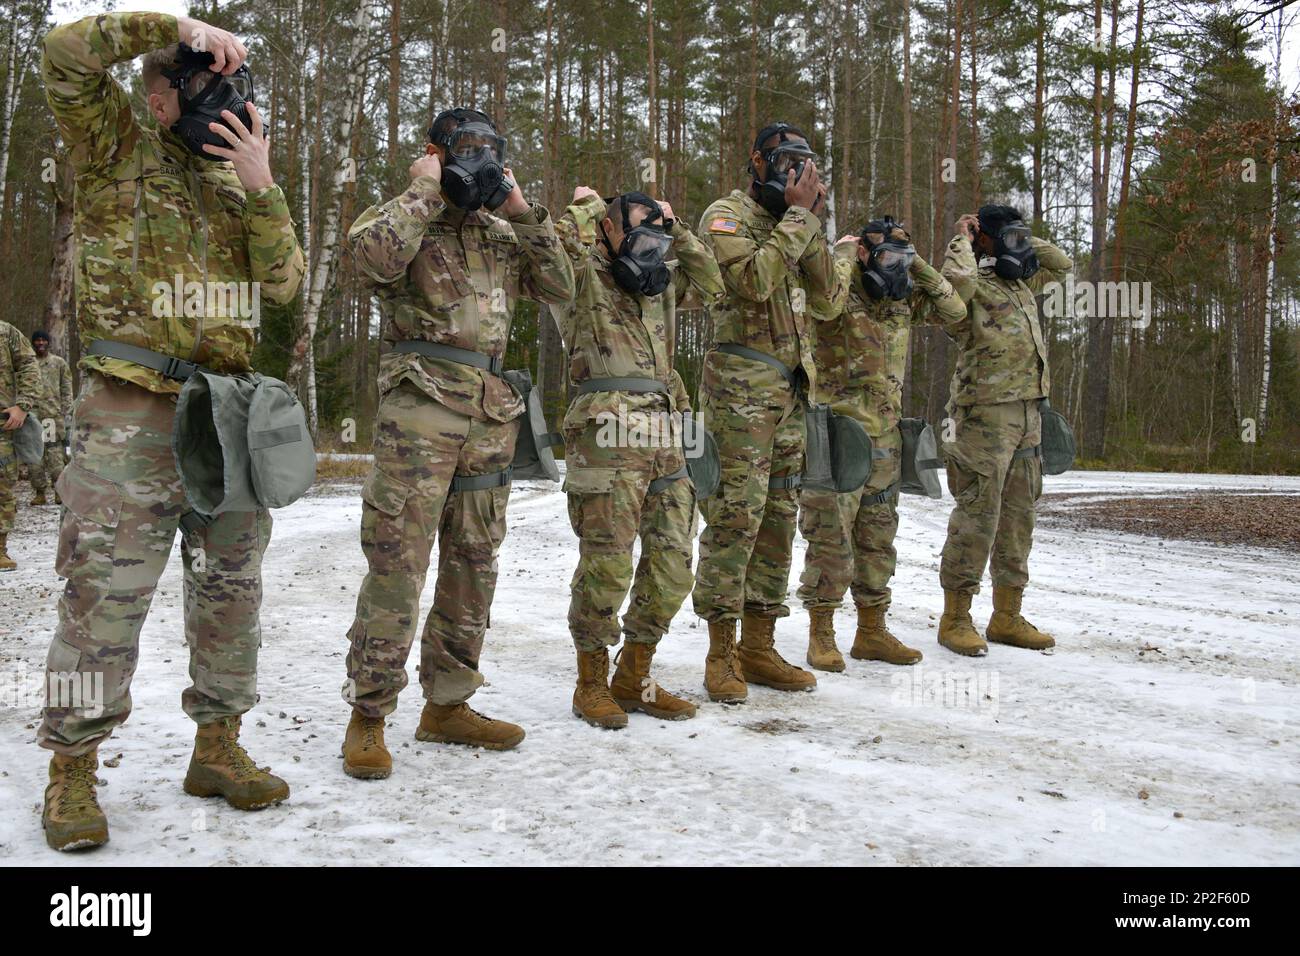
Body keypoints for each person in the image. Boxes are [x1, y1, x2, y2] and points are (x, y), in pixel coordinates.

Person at [37, 11, 305, 851]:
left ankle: (217, 748)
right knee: (102, 606)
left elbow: (288, 287)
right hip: (131, 410)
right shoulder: (115, 147)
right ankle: (73, 769)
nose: (225, 107)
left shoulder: (240, 185)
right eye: (202, 87)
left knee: (231, 598)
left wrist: (263, 185)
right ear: (157, 99)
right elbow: (64, 55)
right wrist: (178, 24)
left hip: (226, 416)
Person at [340, 107, 575, 778]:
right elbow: (370, 262)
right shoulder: (405, 217)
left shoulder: (501, 233)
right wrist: (424, 190)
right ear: (434, 152)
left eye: (490, 150)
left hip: (489, 416)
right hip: (420, 414)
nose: (478, 160)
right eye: (464, 149)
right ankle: (369, 714)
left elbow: (563, 289)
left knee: (475, 562)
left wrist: (524, 210)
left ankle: (448, 704)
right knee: (398, 563)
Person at [553, 187, 723, 728]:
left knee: (673, 565)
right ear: (606, 229)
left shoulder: (659, 286)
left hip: (665, 429)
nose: (649, 242)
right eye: (637, 229)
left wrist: (680, 230)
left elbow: (715, 286)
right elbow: (548, 250)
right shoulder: (581, 273)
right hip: (606, 428)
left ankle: (635, 674)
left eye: (657, 234)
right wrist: (586, 207)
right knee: (607, 564)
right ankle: (591, 683)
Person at [692, 122, 844, 703]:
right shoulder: (724, 217)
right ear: (755, 161)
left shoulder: (798, 224)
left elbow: (830, 302)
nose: (792, 172)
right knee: (736, 517)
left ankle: (759, 645)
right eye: (782, 161)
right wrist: (798, 221)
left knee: (779, 518)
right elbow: (751, 283)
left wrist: (814, 226)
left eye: (802, 163)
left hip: (789, 393)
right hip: (739, 389)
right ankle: (720, 652)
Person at [798, 218, 965, 670]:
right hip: (838, 435)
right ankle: (822, 633)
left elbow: (956, 311)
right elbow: (825, 305)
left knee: (878, 540)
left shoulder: (901, 302)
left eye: (902, 259)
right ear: (867, 256)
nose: (896, 268)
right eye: (889, 258)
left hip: (886, 438)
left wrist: (921, 266)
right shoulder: (839, 292)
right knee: (830, 539)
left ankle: (871, 631)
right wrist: (847, 254)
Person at [935, 204, 1073, 656]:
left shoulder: (1021, 285)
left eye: (1021, 235)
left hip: (1029, 415)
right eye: (1007, 235)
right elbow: (951, 290)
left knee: (1019, 518)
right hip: (981, 418)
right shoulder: (971, 285)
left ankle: (1007, 615)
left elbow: (1064, 265)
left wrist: (1023, 240)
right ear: (985, 241)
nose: (1018, 243)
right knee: (978, 517)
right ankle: (955, 618)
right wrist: (964, 240)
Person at [0, 320, 44, 571]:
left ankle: (0, 549)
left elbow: (29, 364)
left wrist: (23, 405)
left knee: (2, 489)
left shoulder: (5, 333)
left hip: (2, 426)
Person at [27, 330, 74, 506]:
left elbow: (66, 386)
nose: (40, 343)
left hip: (51, 416)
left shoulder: (58, 363)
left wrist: (66, 409)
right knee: (34, 455)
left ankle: (59, 492)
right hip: (31, 417)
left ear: (48, 343)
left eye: (43, 340)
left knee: (55, 454)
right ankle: (39, 492)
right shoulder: (27, 363)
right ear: (33, 343)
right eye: (37, 340)